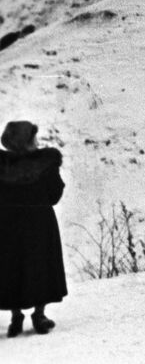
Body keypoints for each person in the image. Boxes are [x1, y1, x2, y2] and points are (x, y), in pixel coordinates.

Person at [0, 120, 66, 338]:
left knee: (10, 267)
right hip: (39, 222)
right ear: (27, 141)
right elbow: (54, 194)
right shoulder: (45, 163)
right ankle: (39, 314)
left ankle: (15, 315)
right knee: (40, 265)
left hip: (6, 224)